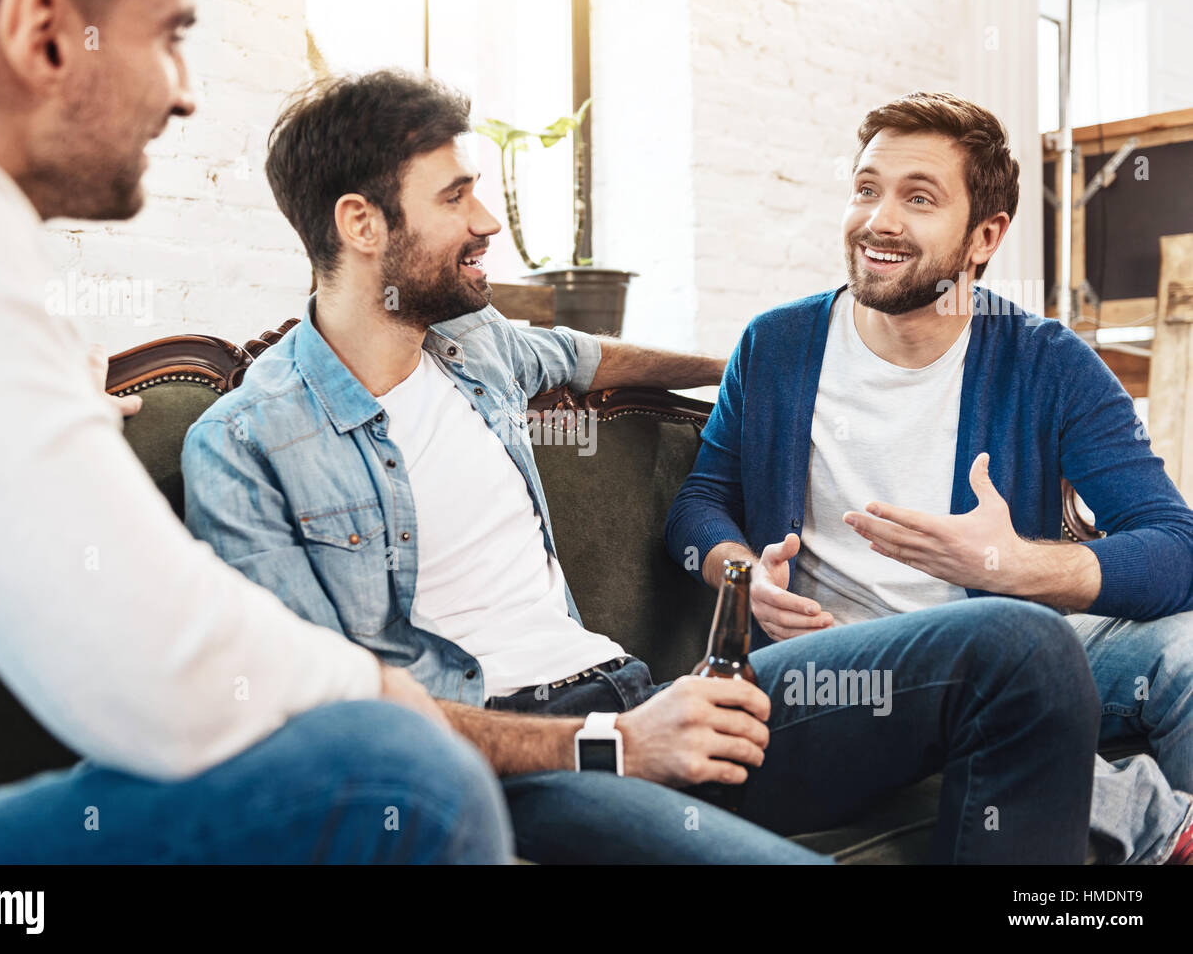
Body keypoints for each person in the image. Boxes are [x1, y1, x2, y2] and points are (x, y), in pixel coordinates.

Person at [182, 68, 1101, 863]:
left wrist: (744, 366)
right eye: (456, 196)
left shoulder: (474, 348)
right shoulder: (247, 444)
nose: (489, 220)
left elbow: (594, 359)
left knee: (1025, 650)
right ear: (361, 224)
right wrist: (610, 744)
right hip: (515, 765)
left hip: (647, 695)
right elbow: (325, 722)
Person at [0, 0, 510, 864]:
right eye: (172, 37)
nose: (185, 94)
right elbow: (154, 674)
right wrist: (375, 687)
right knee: (400, 779)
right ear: (43, 36)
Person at [665, 90, 1193, 865]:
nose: (879, 219)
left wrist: (1016, 565)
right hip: (827, 668)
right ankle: (1156, 825)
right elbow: (700, 503)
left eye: (918, 198)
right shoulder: (776, 346)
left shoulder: (1046, 361)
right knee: (1008, 670)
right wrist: (743, 575)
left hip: (1017, 647)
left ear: (985, 235)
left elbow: (1175, 547)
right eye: (866, 189)